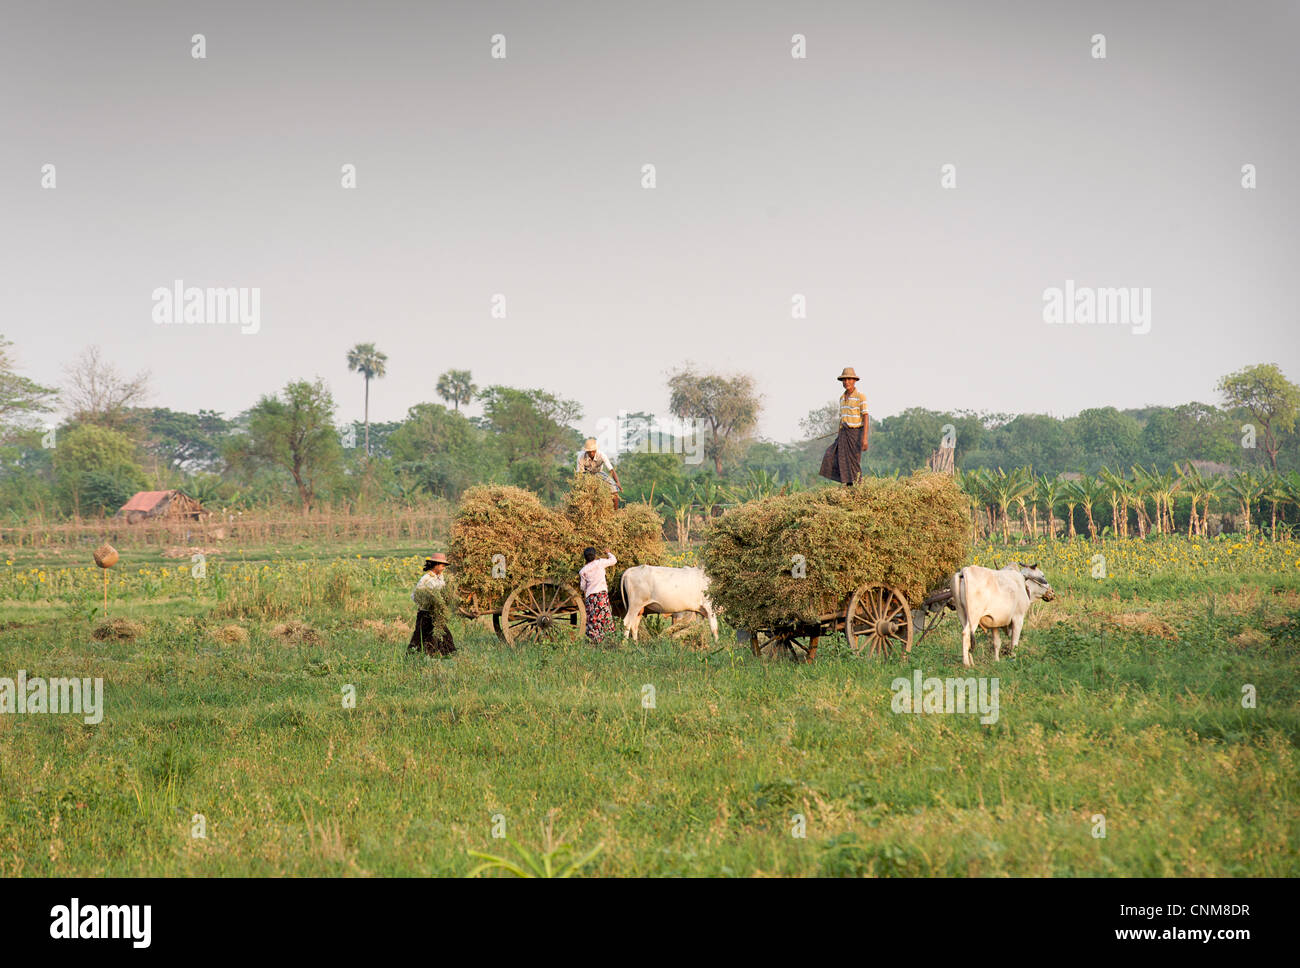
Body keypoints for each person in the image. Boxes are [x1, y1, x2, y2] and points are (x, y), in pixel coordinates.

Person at [819, 366, 869, 486]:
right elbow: (842, 418)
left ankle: (858, 487)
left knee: (853, 462)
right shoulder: (842, 398)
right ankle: (849, 485)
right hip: (843, 433)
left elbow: (866, 417)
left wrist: (865, 438)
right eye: (844, 380)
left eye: (849, 379)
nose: (847, 382)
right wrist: (840, 431)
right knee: (831, 455)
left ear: (854, 381)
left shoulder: (860, 397)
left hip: (855, 434)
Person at [408, 553, 456, 656]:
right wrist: (428, 602)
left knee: (444, 635)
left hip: (436, 613)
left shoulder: (440, 577)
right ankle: (413, 656)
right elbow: (415, 596)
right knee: (419, 636)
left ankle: (445, 654)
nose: (443, 568)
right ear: (436, 565)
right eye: (442, 565)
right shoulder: (426, 579)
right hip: (425, 613)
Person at [578, 546, 617, 645]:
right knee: (605, 616)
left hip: (591, 597)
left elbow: (582, 587)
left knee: (593, 619)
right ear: (595, 555)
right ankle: (608, 639)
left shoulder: (583, 571)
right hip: (601, 596)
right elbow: (614, 560)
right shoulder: (600, 563)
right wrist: (608, 552)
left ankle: (594, 641)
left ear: (585, 558)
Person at [576, 437, 622, 508]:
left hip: (599, 472)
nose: (591, 453)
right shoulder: (581, 457)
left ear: (596, 450)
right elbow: (580, 473)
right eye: (589, 451)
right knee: (583, 492)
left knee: (614, 489)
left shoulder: (602, 455)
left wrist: (617, 482)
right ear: (586, 451)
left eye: (593, 451)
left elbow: (611, 470)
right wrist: (582, 484)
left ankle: (616, 512)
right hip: (586, 473)